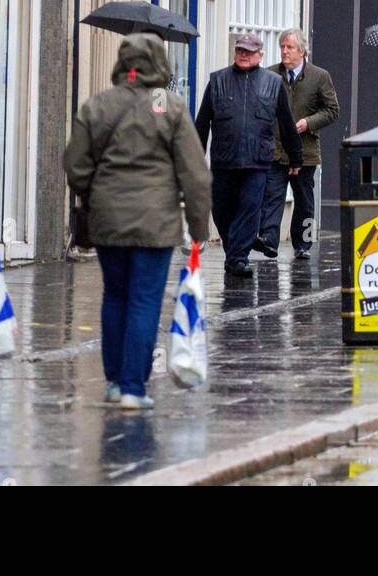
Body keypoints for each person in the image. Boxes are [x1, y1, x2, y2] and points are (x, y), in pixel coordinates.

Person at [64, 33, 211, 410]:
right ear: (160, 64)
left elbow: (75, 166)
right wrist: (198, 229)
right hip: (155, 223)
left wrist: (94, 194)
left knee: (114, 297)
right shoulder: (168, 105)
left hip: (108, 221)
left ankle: (114, 381)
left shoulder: (99, 104)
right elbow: (194, 175)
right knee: (144, 301)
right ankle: (133, 386)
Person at [196, 33, 303, 278]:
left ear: (260, 55)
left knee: (249, 209)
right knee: (222, 212)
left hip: (257, 161)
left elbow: (286, 124)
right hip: (224, 160)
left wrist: (295, 158)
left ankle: (237, 258)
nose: (244, 55)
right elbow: (202, 123)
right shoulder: (218, 81)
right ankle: (235, 249)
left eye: (249, 52)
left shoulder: (273, 83)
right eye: (240, 51)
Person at [258, 29, 340, 261]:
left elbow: (332, 110)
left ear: (302, 51)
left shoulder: (319, 76)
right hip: (276, 149)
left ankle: (302, 243)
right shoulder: (270, 74)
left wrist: (309, 123)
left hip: (306, 152)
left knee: (304, 201)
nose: (285, 51)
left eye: (290, 47)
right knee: (272, 196)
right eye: (282, 47)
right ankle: (269, 240)